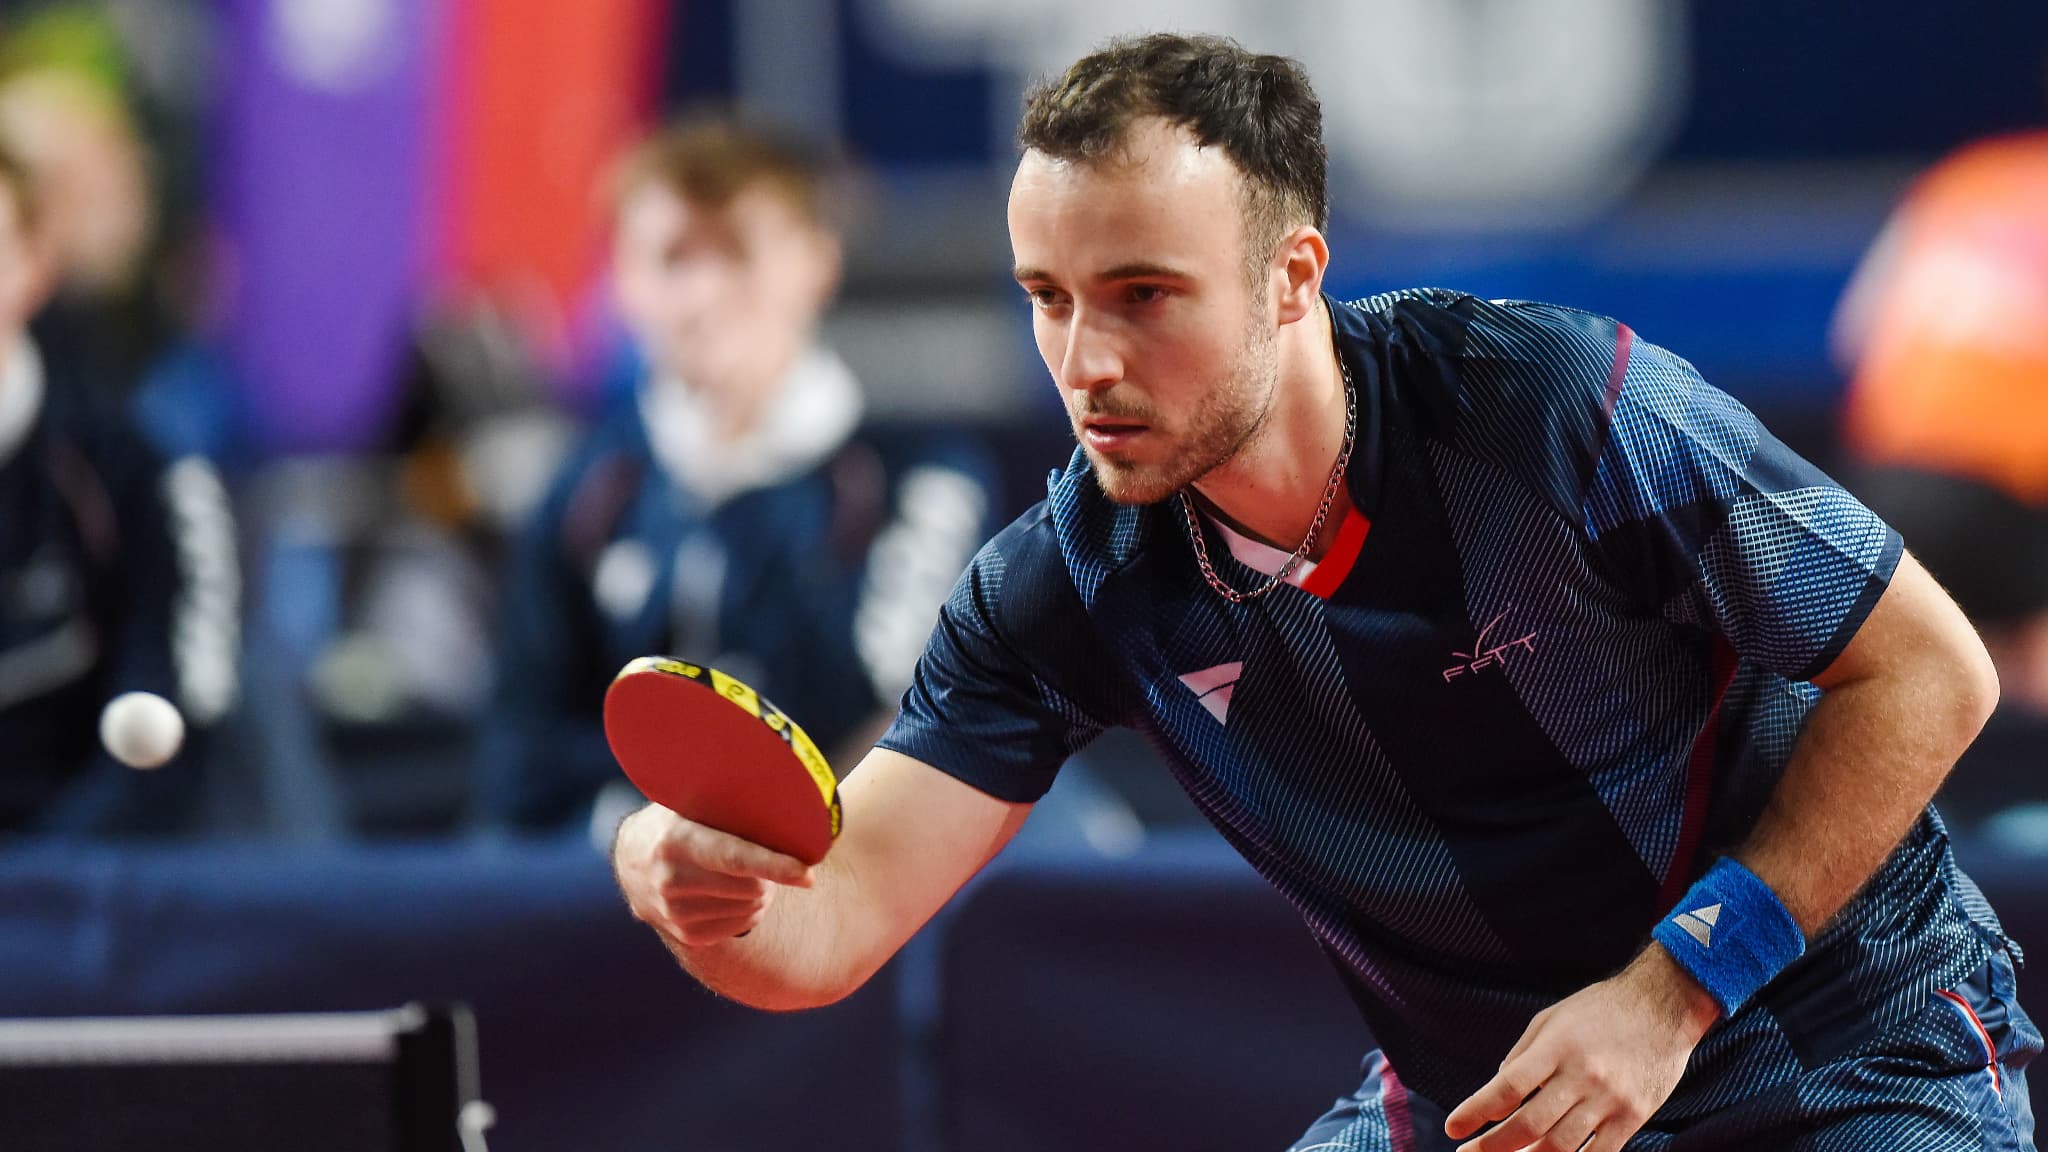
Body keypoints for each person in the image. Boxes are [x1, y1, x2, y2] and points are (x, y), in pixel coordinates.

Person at [611, 35, 2035, 1151]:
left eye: (1143, 296)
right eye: (1046, 296)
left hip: (1838, 1047)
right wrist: (694, 895)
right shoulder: (1066, 582)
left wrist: (1671, 995)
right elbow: (833, 921)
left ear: (1293, 277)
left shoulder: (1545, 410)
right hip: (1496, 1111)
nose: (1085, 360)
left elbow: (1930, 674)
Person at [479, 116, 997, 836]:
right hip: (623, 898)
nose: (702, 295)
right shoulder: (585, 495)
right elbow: (519, 763)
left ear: (817, 263)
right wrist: (643, 836)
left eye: (736, 253)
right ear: (622, 282)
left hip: (857, 889)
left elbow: (919, 732)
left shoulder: (917, 483)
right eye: (671, 258)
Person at [0, 137, 237, 836]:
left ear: (35, 267)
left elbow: (179, 713)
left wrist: (35, 891)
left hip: (78, 901)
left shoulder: (139, 477)